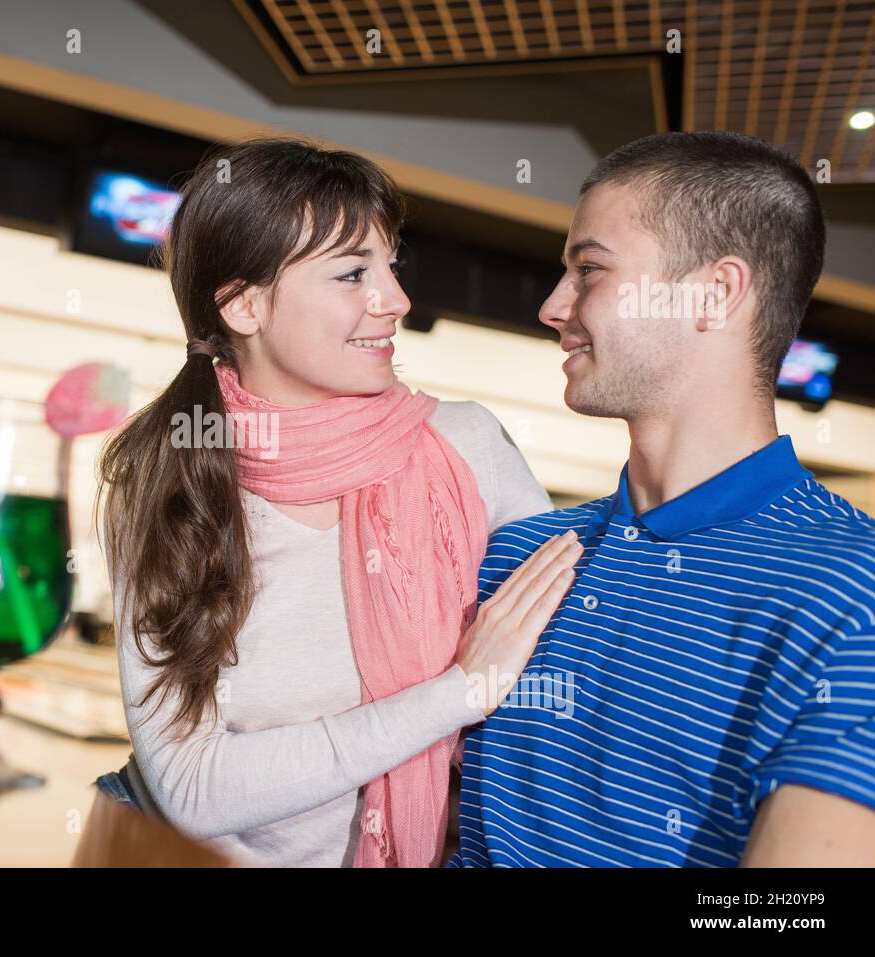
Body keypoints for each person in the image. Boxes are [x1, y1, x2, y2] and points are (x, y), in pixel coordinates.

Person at [96, 137, 577, 867]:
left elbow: (562, 658)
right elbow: (190, 787)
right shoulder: (167, 474)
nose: (397, 300)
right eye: (354, 272)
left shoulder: (465, 445)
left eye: (391, 265)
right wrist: (457, 693)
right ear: (244, 305)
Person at [449, 131, 875, 867]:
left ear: (716, 291)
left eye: (590, 270)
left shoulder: (849, 590)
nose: (554, 306)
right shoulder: (516, 557)